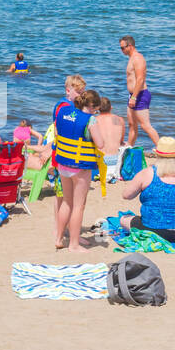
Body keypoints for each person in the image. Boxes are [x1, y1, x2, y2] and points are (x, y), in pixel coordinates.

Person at [53, 89, 118, 251]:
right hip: (79, 167)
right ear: (92, 106)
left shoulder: (64, 111)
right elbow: (100, 143)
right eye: (96, 108)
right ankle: (73, 244)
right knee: (78, 206)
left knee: (66, 202)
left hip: (63, 164)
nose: (96, 111)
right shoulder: (90, 120)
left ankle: (59, 238)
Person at [119, 137, 175, 243]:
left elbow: (126, 195)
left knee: (124, 219)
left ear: (157, 155)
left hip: (153, 231)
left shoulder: (148, 173)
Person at [119, 35, 158, 147]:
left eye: (123, 48)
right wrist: (132, 96)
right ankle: (129, 148)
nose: (122, 50)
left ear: (130, 46)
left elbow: (140, 79)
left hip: (140, 95)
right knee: (132, 125)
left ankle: (162, 150)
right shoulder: (131, 58)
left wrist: (134, 97)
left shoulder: (138, 58)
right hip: (132, 95)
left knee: (145, 125)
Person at [91, 97, 126, 178]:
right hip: (117, 159)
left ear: (98, 109)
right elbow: (121, 141)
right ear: (111, 107)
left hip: (101, 160)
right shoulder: (119, 120)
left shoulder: (94, 120)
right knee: (125, 144)